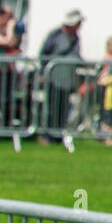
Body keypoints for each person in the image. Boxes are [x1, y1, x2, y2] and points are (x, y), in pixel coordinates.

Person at [38, 9, 84, 140]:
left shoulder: (76, 38)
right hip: (53, 77)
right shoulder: (55, 35)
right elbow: (44, 55)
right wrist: (42, 72)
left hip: (68, 78)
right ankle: (48, 135)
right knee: (52, 106)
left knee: (63, 107)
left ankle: (58, 134)